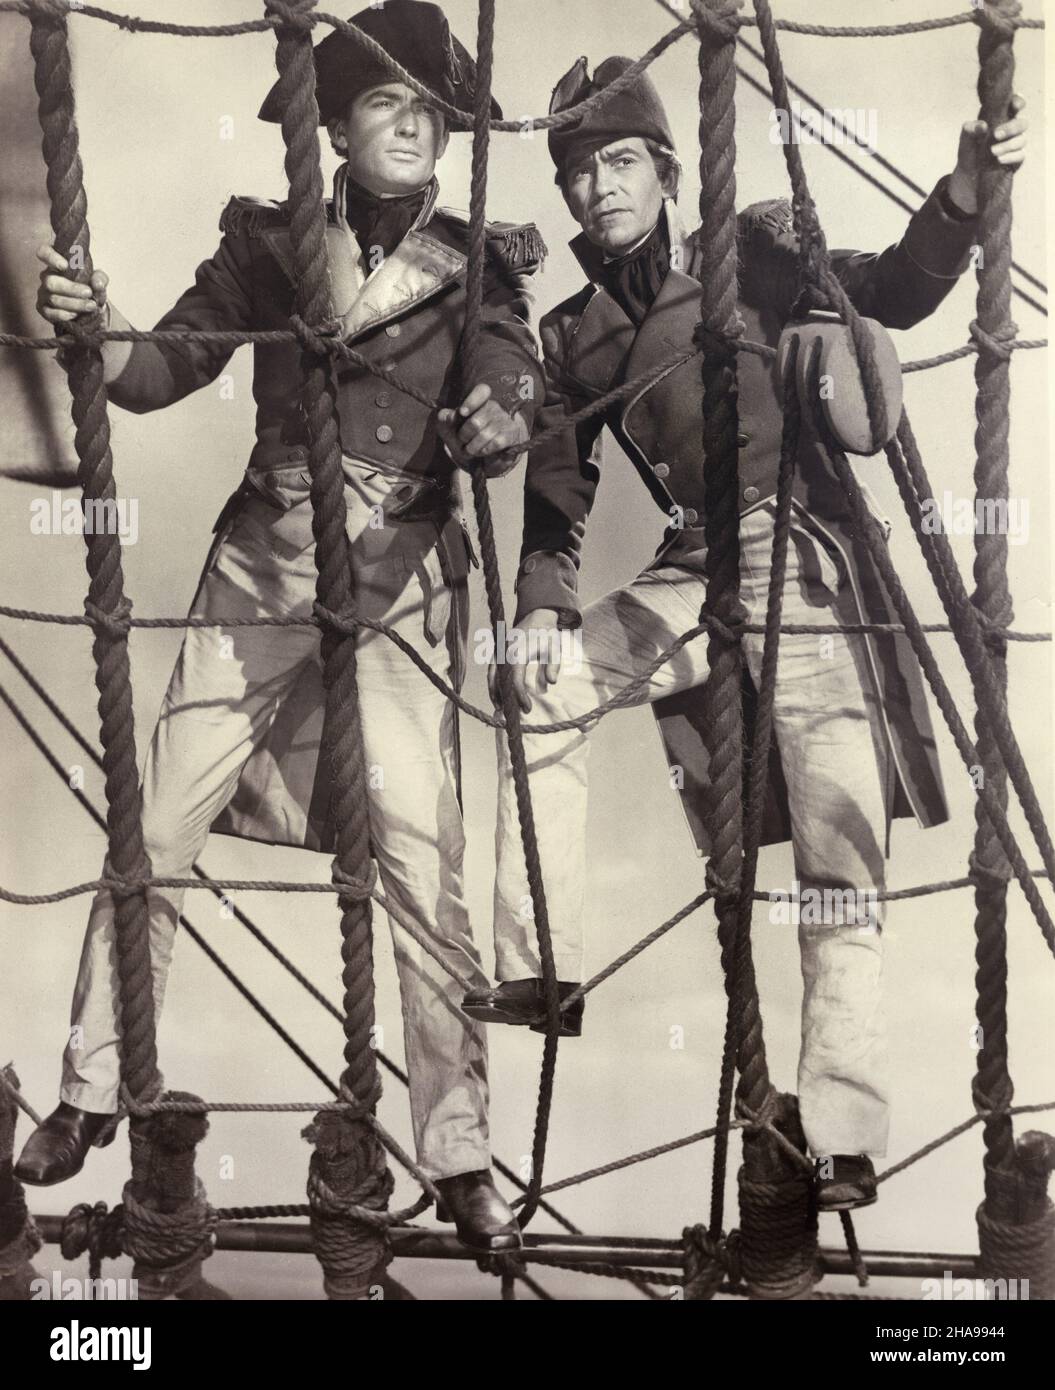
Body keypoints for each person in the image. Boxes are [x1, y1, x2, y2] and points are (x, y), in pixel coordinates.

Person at [16, 0, 545, 1254]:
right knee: (155, 826)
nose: (411, 126)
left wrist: (501, 417)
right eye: (383, 105)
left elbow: (510, 371)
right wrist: (98, 329)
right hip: (265, 565)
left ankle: (458, 1151)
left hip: (401, 580)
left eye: (429, 111)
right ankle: (92, 1086)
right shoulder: (267, 244)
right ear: (335, 131)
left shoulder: (479, 264)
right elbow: (164, 368)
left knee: (421, 870)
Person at [463, 55, 1028, 1211]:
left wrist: (961, 197)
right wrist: (538, 607)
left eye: (620, 163)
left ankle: (842, 1134)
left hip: (807, 566)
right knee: (541, 685)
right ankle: (542, 964)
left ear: (667, 173)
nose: (598, 189)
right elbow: (557, 492)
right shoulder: (572, 335)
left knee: (837, 856)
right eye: (578, 174)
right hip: (690, 573)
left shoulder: (754, 254)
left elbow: (893, 290)